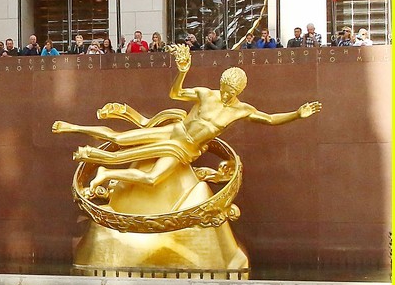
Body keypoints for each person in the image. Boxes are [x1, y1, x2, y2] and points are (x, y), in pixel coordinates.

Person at [53, 44, 321, 196]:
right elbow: (176, 94)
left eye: (230, 91)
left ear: (239, 91)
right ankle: (72, 127)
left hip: (185, 149)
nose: (225, 93)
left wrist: (297, 114)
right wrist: (182, 71)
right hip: (174, 131)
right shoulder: (206, 94)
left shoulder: (241, 110)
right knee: (119, 138)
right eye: (223, 88)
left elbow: (270, 119)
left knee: (152, 179)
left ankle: (106, 173)